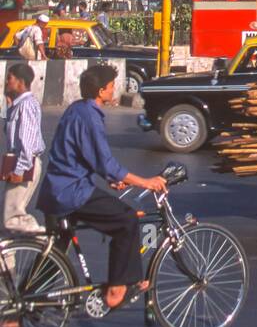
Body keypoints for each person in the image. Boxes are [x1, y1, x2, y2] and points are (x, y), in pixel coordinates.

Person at [37, 64, 167, 309]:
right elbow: (106, 162)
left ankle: (30, 298)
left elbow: (86, 155)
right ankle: (117, 287)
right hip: (72, 192)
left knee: (56, 248)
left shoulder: (77, 109)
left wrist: (111, 179)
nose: (113, 89)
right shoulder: (90, 116)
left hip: (55, 189)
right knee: (127, 219)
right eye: (110, 86)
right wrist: (145, 182)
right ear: (101, 91)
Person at [1, 62, 45, 236]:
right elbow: (10, 133)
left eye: (9, 78)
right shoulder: (18, 105)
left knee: (11, 218)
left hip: (25, 163)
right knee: (5, 222)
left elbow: (26, 142)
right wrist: (9, 105)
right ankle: (7, 263)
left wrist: (20, 169)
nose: (6, 82)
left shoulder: (26, 105)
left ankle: (41, 237)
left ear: (20, 82)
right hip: (18, 162)